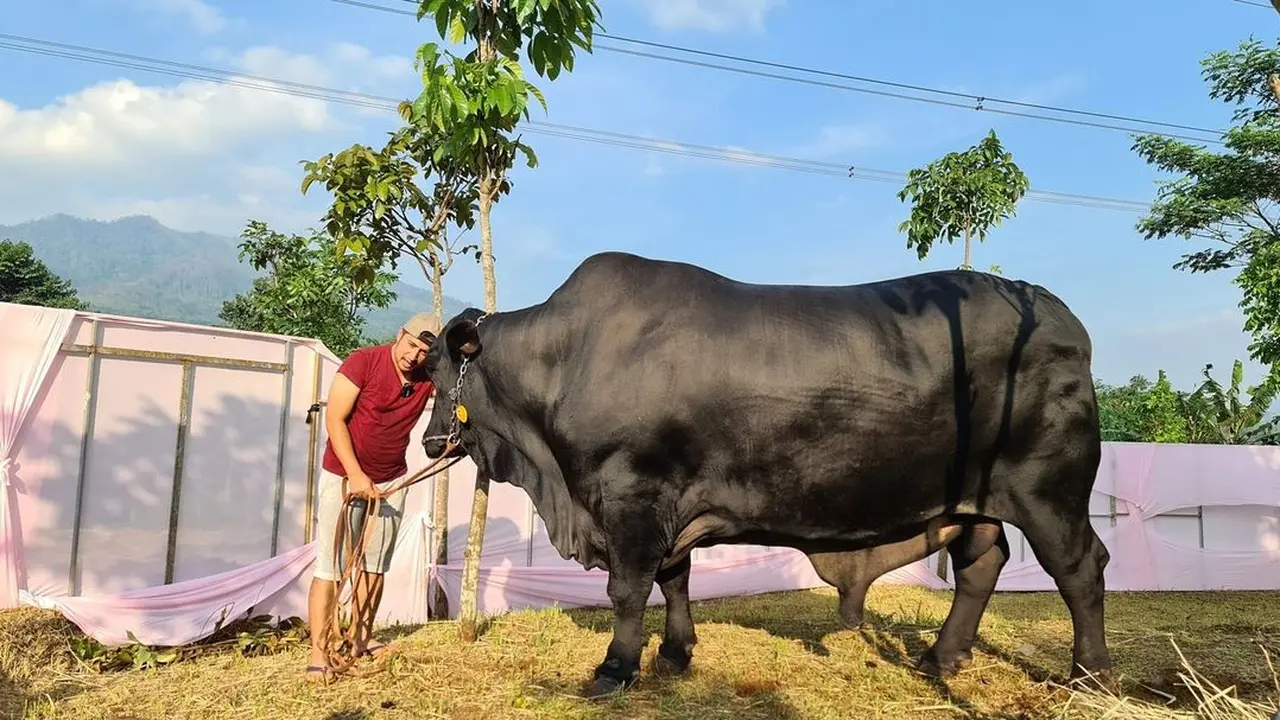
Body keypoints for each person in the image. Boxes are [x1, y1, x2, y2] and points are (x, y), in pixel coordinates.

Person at [305, 312, 440, 682]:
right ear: (400, 335)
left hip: (391, 481)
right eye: (411, 345)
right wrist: (355, 474)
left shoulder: (428, 379)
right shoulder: (363, 361)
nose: (414, 356)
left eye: (424, 352)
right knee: (330, 568)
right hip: (343, 477)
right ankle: (319, 650)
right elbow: (334, 420)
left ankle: (361, 638)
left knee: (374, 567)